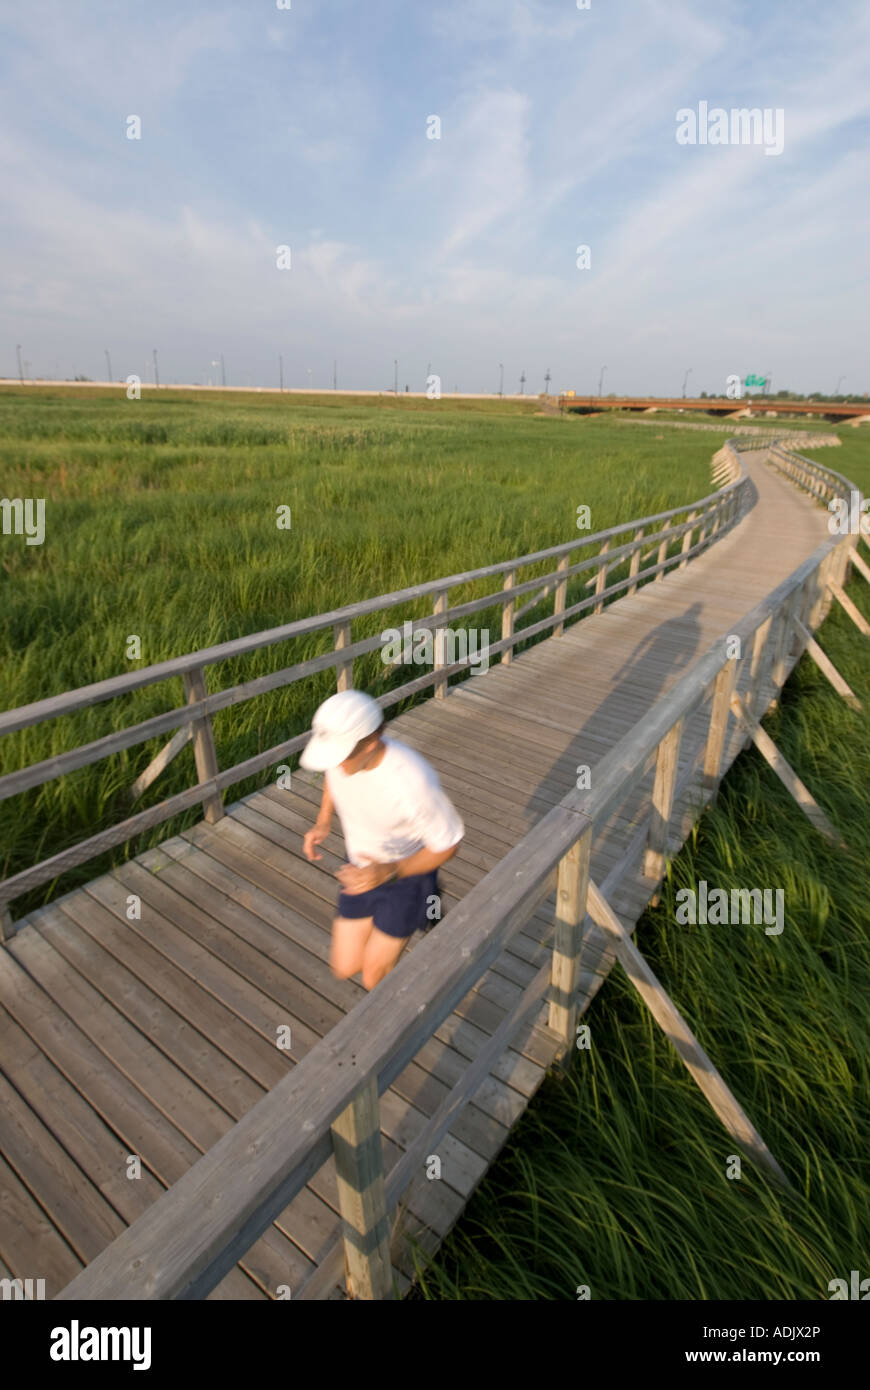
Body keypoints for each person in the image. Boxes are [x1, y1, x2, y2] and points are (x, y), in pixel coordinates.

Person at [300, 689, 464, 990]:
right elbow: (332, 775)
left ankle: (425, 900)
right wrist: (323, 821)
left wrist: (386, 872)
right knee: (343, 967)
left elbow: (449, 844)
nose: (336, 765)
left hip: (407, 876)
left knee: (374, 977)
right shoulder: (341, 760)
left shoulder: (413, 782)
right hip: (361, 869)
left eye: (341, 756)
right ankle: (427, 906)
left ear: (372, 742)